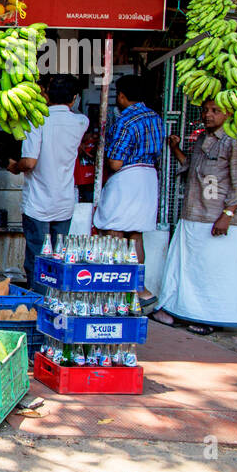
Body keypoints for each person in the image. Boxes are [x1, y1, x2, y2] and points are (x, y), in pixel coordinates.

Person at [152, 99, 237, 334]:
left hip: (217, 217)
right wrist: (175, 148)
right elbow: (192, 166)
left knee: (211, 271)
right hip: (194, 213)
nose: (208, 115)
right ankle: (178, 311)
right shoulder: (202, 138)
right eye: (206, 110)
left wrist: (227, 214)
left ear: (229, 114)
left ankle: (207, 317)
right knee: (187, 267)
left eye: (215, 111)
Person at [8, 76, 89, 287]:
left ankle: (39, 304)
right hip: (64, 201)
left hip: (39, 203)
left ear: (45, 95)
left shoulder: (37, 121)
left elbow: (29, 162)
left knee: (37, 259)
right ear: (74, 99)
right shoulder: (81, 122)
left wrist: (14, 166)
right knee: (57, 258)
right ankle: (54, 300)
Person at [93, 71, 164, 304]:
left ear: (122, 96)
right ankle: (137, 289)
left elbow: (115, 162)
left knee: (114, 230)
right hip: (149, 178)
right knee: (135, 236)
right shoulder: (155, 117)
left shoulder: (125, 120)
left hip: (127, 178)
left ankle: (114, 289)